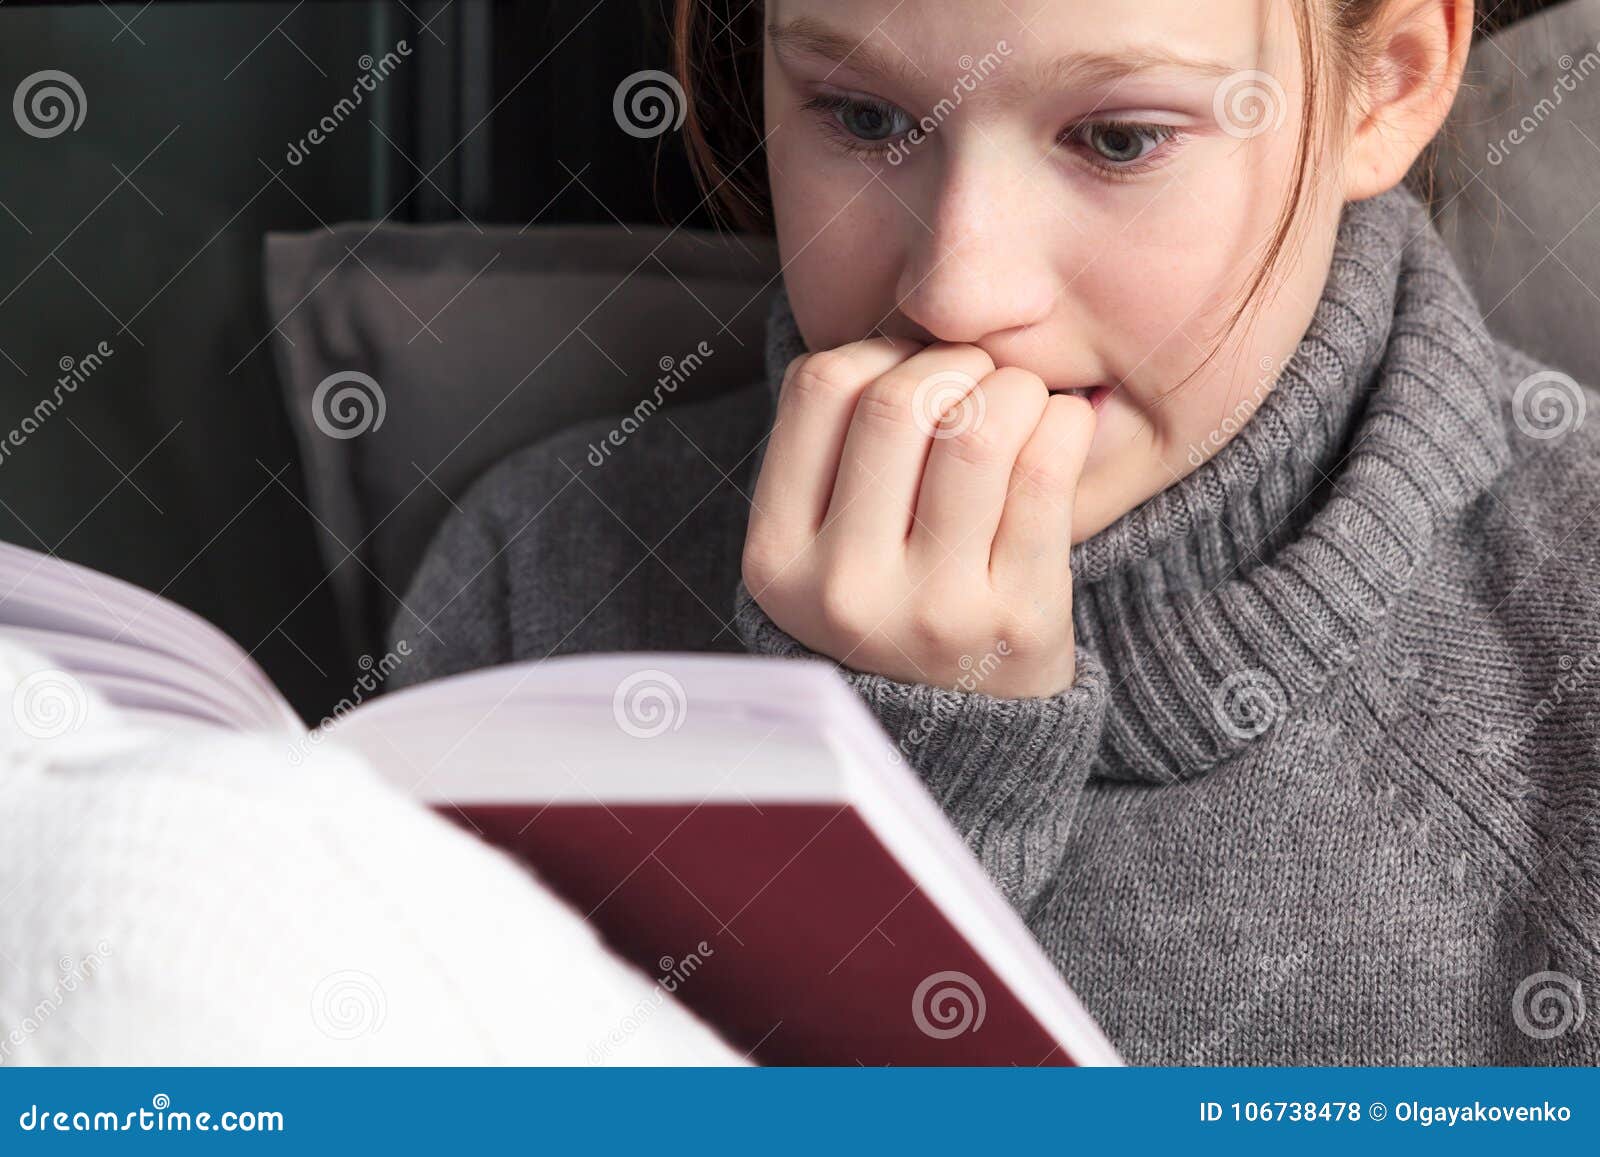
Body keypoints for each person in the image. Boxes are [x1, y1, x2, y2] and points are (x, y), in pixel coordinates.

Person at [389, 0, 1600, 1065]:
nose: (956, 292)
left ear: (1386, 81)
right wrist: (903, 802)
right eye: (861, 119)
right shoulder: (545, 571)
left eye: (1119, 139)